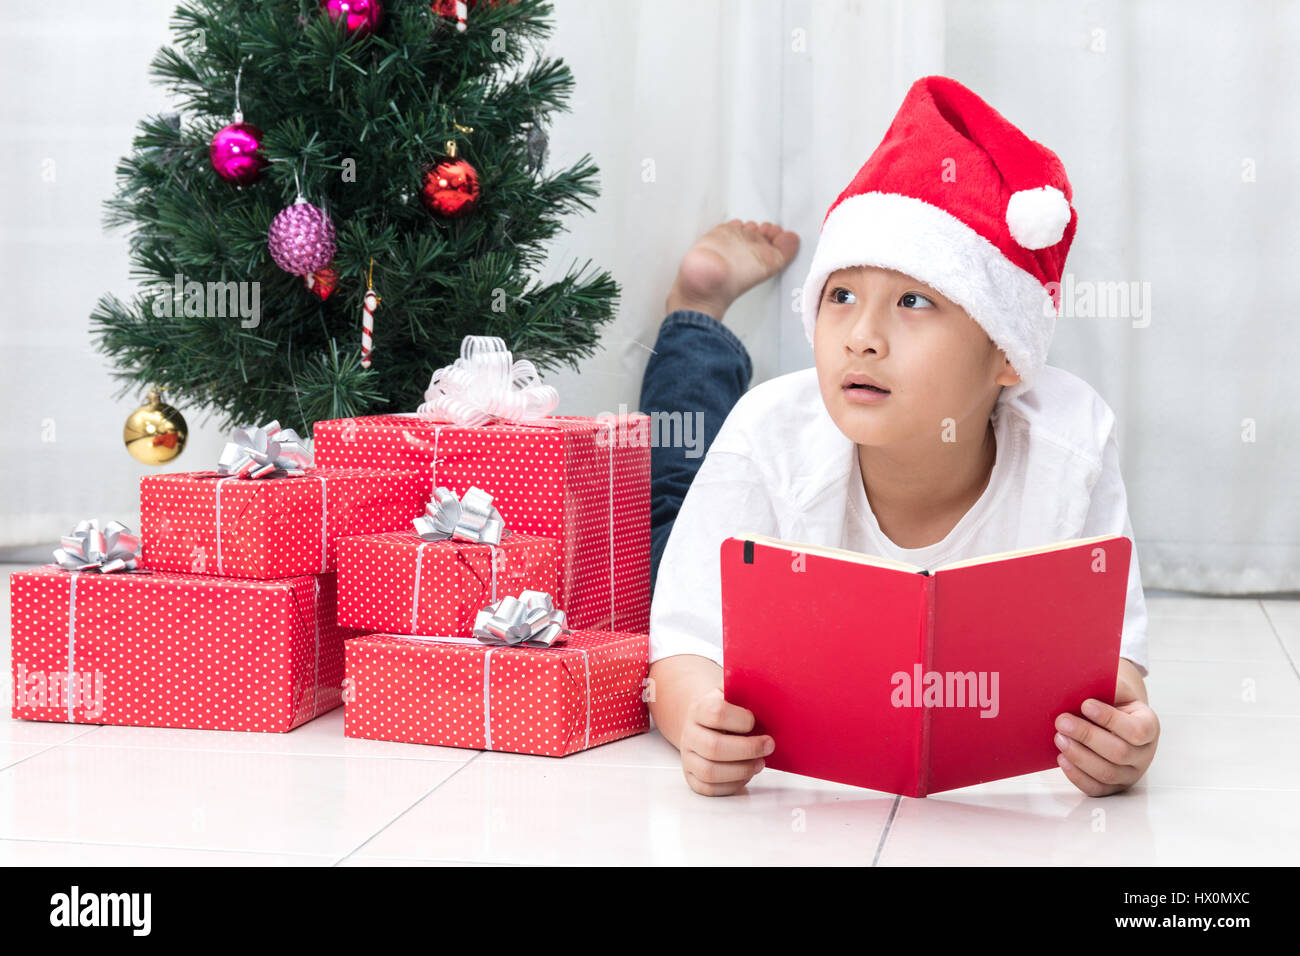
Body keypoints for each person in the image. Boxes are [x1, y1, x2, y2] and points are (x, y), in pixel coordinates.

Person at [640, 75, 1160, 798]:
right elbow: (684, 644)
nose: (862, 338)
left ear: (1007, 352)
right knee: (664, 505)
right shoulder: (770, 438)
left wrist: (1121, 735)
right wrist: (699, 715)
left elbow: (1116, 668)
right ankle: (698, 311)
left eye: (913, 301)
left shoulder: (1070, 449)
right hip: (739, 484)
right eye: (841, 296)